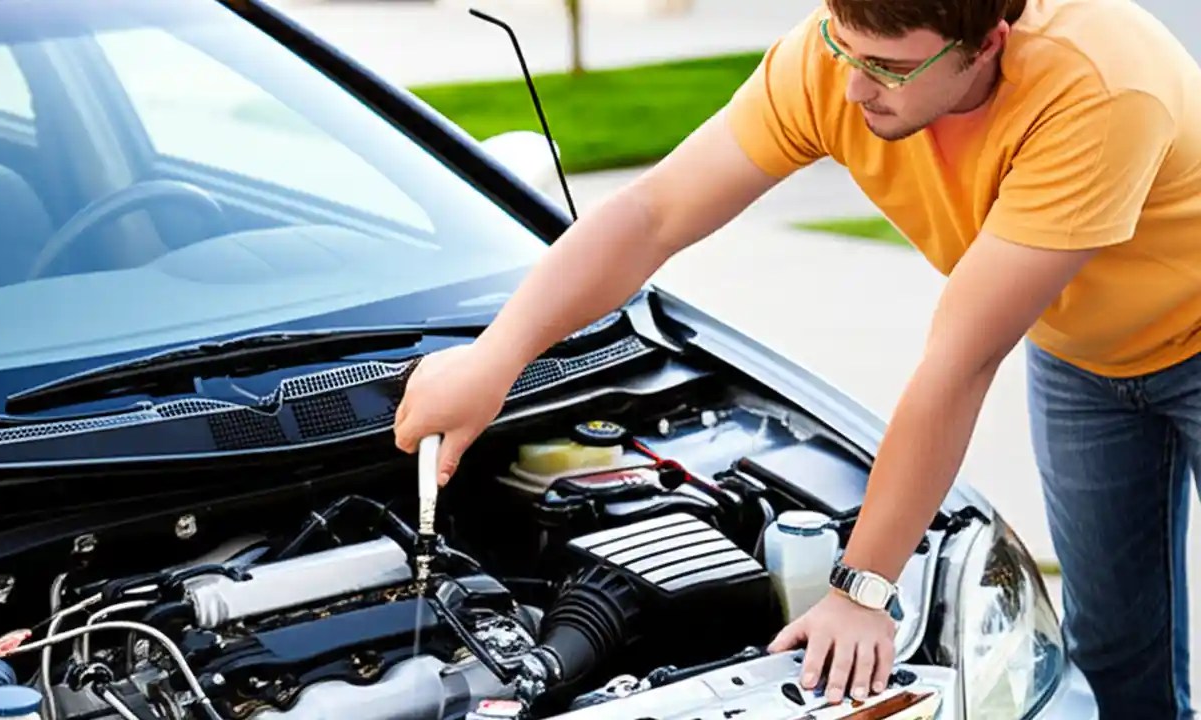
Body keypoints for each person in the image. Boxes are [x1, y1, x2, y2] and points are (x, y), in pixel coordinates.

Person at [393, 0, 1201, 715]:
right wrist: (493, 361)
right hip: (1083, 357)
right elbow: (652, 213)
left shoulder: (1097, 90)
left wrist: (862, 590)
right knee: (1116, 651)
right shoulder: (832, 58)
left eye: (887, 67)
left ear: (987, 44)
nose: (851, 88)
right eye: (843, 48)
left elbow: (959, 359)